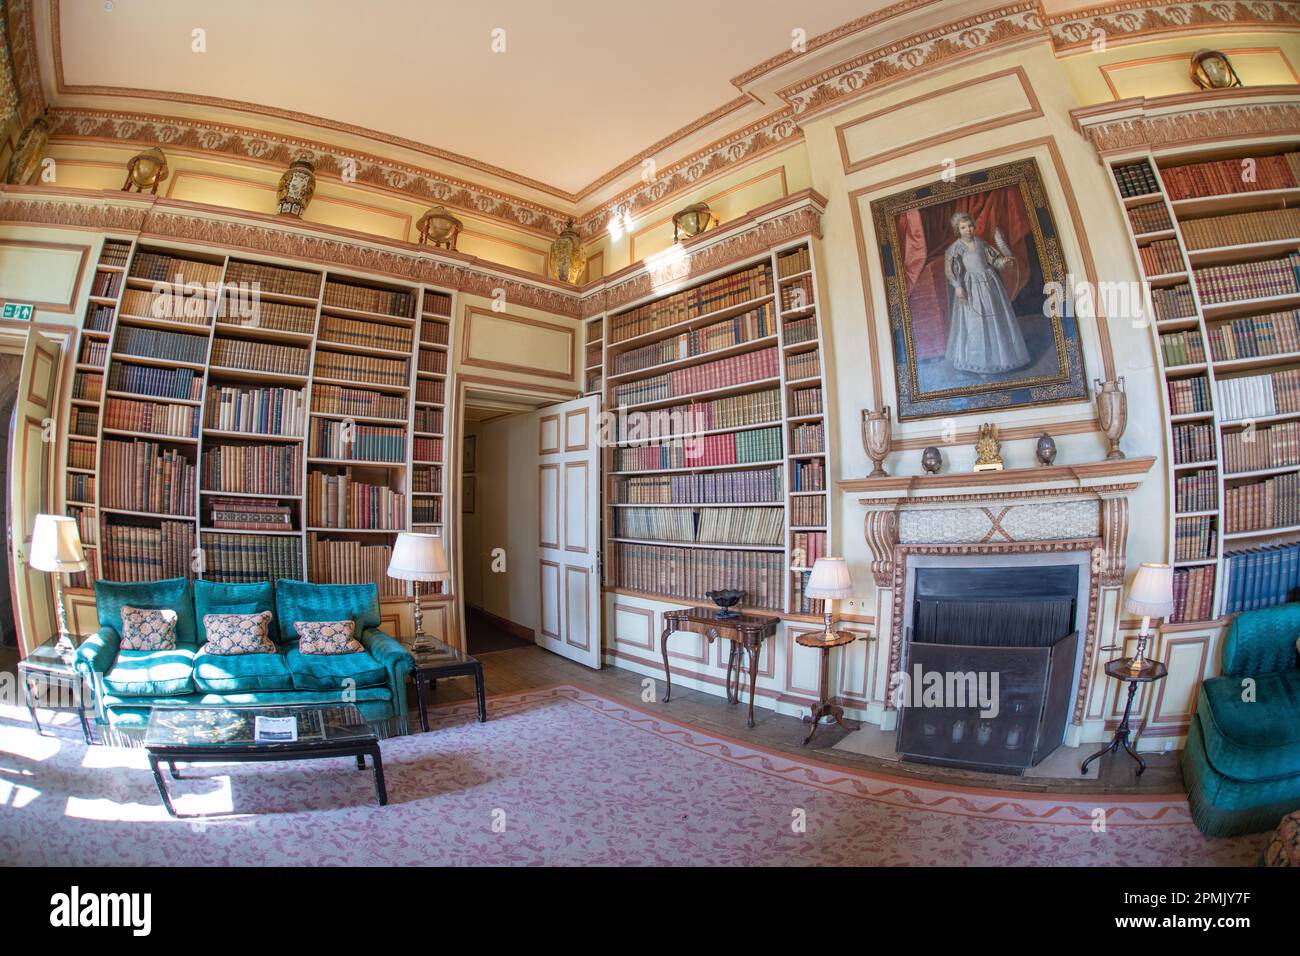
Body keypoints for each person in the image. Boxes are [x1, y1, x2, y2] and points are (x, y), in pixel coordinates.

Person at [944, 211, 1030, 374]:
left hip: (990, 285)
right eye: (963, 228)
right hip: (971, 287)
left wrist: (1004, 261)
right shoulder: (954, 249)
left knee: (996, 319)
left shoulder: (981, 243)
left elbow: (994, 261)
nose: (968, 230)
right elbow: (952, 271)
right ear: (958, 230)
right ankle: (980, 363)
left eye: (970, 226)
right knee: (976, 322)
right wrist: (958, 286)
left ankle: (1001, 359)